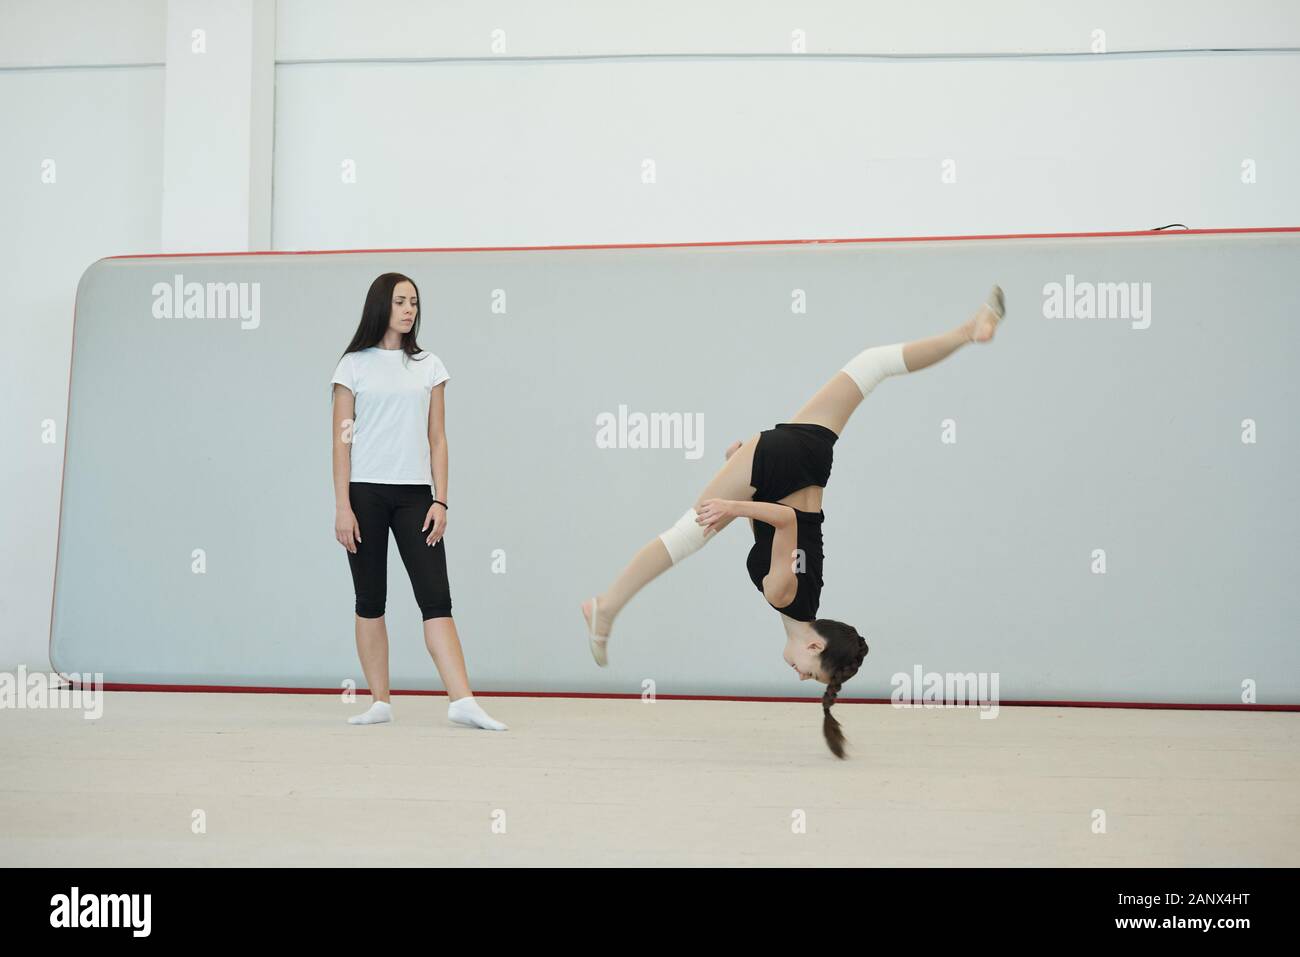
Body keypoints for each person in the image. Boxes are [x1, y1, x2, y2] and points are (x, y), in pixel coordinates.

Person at [582, 286, 1007, 757]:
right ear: (812, 647)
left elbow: (775, 533)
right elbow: (784, 523)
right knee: (689, 533)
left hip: (807, 462)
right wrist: (734, 504)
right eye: (812, 673)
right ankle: (607, 607)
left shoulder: (807, 597)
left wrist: (742, 481)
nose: (800, 676)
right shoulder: (783, 596)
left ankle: (971, 329)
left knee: (872, 365)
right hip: (780, 469)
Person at [331, 272, 506, 731]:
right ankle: (380, 702)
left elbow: (438, 438)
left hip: (415, 496)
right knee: (370, 599)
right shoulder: (353, 366)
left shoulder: (429, 365)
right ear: (380, 307)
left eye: (413, 302)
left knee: (436, 599)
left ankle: (462, 700)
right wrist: (342, 506)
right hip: (364, 493)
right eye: (400, 301)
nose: (409, 309)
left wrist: (441, 501)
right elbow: (341, 442)